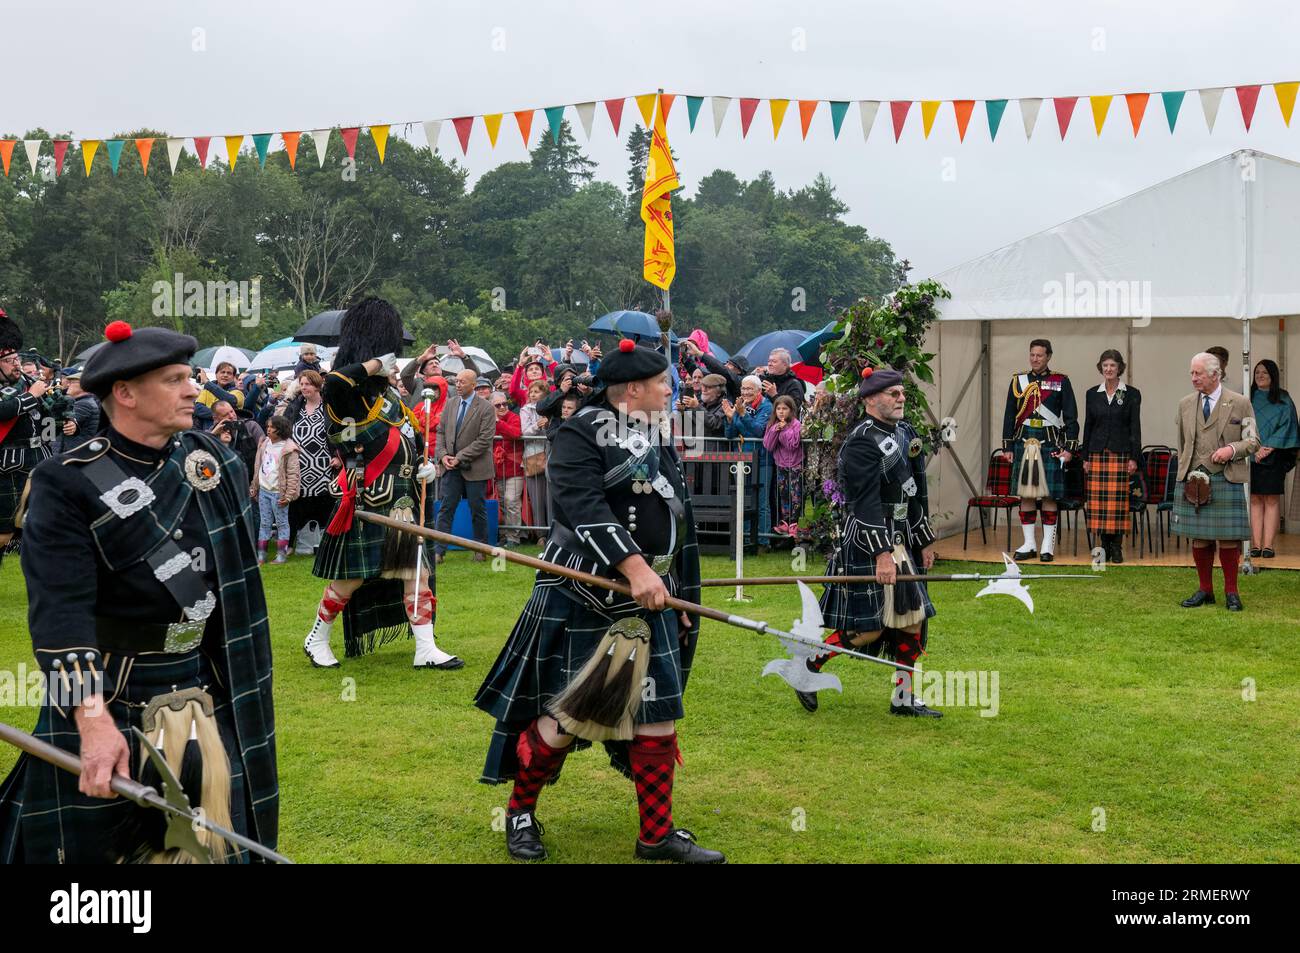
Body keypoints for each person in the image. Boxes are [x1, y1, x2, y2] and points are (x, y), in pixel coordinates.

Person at [0, 320, 277, 863]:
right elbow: (60, 610)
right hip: (115, 687)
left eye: (188, 377)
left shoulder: (212, 461)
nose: (193, 389)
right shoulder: (66, 481)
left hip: (205, 686)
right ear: (124, 393)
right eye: (174, 380)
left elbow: (236, 586)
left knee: (210, 849)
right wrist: (92, 719)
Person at [474, 338, 722, 864]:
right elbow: (581, 506)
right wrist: (633, 569)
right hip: (587, 592)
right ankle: (520, 812)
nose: (670, 390)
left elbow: (674, 517)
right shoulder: (577, 433)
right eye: (662, 383)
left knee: (657, 715)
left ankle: (655, 836)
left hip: (650, 599)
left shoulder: (654, 435)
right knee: (567, 718)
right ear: (632, 388)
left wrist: (671, 585)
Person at [304, 297, 461, 670]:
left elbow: (411, 439)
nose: (392, 363)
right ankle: (317, 637)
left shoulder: (389, 396)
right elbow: (335, 384)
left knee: (415, 572)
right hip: (368, 496)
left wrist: (427, 468)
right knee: (352, 580)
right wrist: (374, 362)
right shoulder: (347, 396)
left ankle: (425, 647)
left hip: (403, 496)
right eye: (386, 355)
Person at [801, 367, 939, 717]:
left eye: (901, 392)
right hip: (868, 540)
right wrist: (882, 554)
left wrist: (923, 540)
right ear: (870, 400)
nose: (901, 398)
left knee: (912, 619)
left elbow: (917, 490)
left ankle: (903, 698)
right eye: (893, 394)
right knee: (868, 629)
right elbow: (864, 503)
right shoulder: (861, 441)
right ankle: (807, 667)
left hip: (902, 538)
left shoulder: (906, 432)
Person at [1172, 352, 1258, 612]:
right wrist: (1187, 471)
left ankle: (1231, 591)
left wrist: (1231, 450)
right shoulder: (1185, 404)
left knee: (1229, 538)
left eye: (1198, 373)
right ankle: (1205, 590)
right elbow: (1182, 443)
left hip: (1226, 477)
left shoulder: (1240, 402)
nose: (1193, 378)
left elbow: (1253, 441)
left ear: (1215, 374)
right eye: (1191, 373)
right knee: (1199, 538)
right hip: (1194, 478)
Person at [998, 339, 1079, 562]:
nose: (1035, 359)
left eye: (1039, 355)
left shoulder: (1061, 381)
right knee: (1027, 494)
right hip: (1024, 442)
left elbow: (1071, 417)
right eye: (1032, 355)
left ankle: (1047, 545)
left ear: (1049, 356)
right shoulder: (1018, 381)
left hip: (1050, 443)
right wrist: (1007, 446)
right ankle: (1029, 543)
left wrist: (1070, 448)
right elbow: (1009, 415)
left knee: (1049, 495)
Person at [0, 311, 51, 570]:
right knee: (4, 534)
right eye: (9, 360)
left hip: (40, 459)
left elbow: (54, 408)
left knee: (49, 520)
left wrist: (69, 420)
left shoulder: (26, 382)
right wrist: (32, 395)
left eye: (16, 358)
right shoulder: (25, 388)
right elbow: (4, 411)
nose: (16, 364)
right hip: (9, 465)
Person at [1081, 349, 1142, 564]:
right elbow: (1088, 426)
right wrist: (1085, 457)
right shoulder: (1092, 393)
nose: (1108, 369)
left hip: (1120, 453)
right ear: (1101, 367)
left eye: (1113, 365)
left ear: (1119, 368)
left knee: (1117, 504)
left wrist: (1134, 457)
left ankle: (1116, 547)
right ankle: (1103, 547)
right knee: (1099, 505)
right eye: (1105, 365)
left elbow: (1135, 427)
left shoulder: (1131, 393)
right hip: (1097, 454)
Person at [433, 368, 496, 563]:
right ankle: (438, 551)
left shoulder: (486, 408)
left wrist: (459, 457)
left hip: (475, 468)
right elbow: (441, 432)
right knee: (446, 508)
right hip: (450, 467)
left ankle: (480, 548)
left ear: (473, 385)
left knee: (477, 509)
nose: (458, 385)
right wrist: (443, 455)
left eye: (462, 382)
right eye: (457, 381)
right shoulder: (450, 404)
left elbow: (484, 440)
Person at [282, 370, 338, 553]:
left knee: (325, 502)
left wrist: (339, 456)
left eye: (307, 384)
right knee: (296, 503)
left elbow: (343, 432)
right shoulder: (295, 406)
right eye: (302, 384)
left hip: (324, 464)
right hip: (299, 463)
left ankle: (327, 542)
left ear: (317, 385)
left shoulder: (330, 406)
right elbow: (285, 430)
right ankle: (291, 543)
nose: (303, 387)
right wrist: (287, 443)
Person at [1248, 359, 1299, 558]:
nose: (1260, 376)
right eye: (1257, 372)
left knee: (1270, 500)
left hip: (1275, 455)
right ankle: (1255, 544)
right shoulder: (1247, 397)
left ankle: (1268, 545)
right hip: (1251, 455)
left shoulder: (1284, 398)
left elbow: (1289, 425)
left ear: (1273, 376)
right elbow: (1240, 423)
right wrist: (1254, 448)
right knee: (1254, 499)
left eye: (1265, 373)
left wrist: (1268, 446)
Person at [250, 415, 300, 565]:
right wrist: (254, 486)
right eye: (268, 427)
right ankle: (261, 556)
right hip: (264, 491)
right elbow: (258, 467)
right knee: (264, 523)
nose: (268, 430)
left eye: (272, 427)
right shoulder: (264, 443)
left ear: (281, 429)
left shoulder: (289, 449)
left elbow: (293, 474)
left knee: (282, 524)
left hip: (279, 493)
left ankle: (281, 556)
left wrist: (289, 495)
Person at [763, 394, 805, 535]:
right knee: (783, 494)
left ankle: (794, 522)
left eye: (785, 408)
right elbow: (768, 445)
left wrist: (785, 429)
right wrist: (776, 430)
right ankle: (785, 522)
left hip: (796, 465)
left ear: (791, 410)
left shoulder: (796, 425)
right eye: (778, 409)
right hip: (781, 464)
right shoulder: (773, 425)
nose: (781, 411)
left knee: (795, 495)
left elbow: (792, 444)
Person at [520, 379, 552, 543]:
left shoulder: (552, 408)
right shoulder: (526, 410)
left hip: (552, 454)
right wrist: (537, 426)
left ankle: (553, 532)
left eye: (537, 391)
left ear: (545, 394)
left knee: (551, 496)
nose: (533, 394)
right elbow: (523, 432)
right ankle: (541, 535)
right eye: (531, 392)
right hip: (533, 455)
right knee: (537, 498)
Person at [491, 392, 525, 547]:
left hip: (515, 468)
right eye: (498, 405)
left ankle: (514, 537)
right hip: (498, 469)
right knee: (503, 503)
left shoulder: (514, 417)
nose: (502, 407)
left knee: (512, 501)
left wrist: (498, 422)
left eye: (505, 403)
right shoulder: (488, 420)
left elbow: (516, 433)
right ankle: (505, 535)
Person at [53, 367, 101, 453]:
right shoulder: (83, 401)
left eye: (72, 382)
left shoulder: (84, 404)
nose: (68, 385)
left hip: (73, 453)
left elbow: (62, 422)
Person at [760, 348, 807, 418]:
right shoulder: (768, 380)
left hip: (786, 427)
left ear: (785, 364)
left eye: (774, 361)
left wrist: (774, 395)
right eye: (769, 361)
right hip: (768, 425)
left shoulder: (794, 384)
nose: (769, 364)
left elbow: (793, 410)